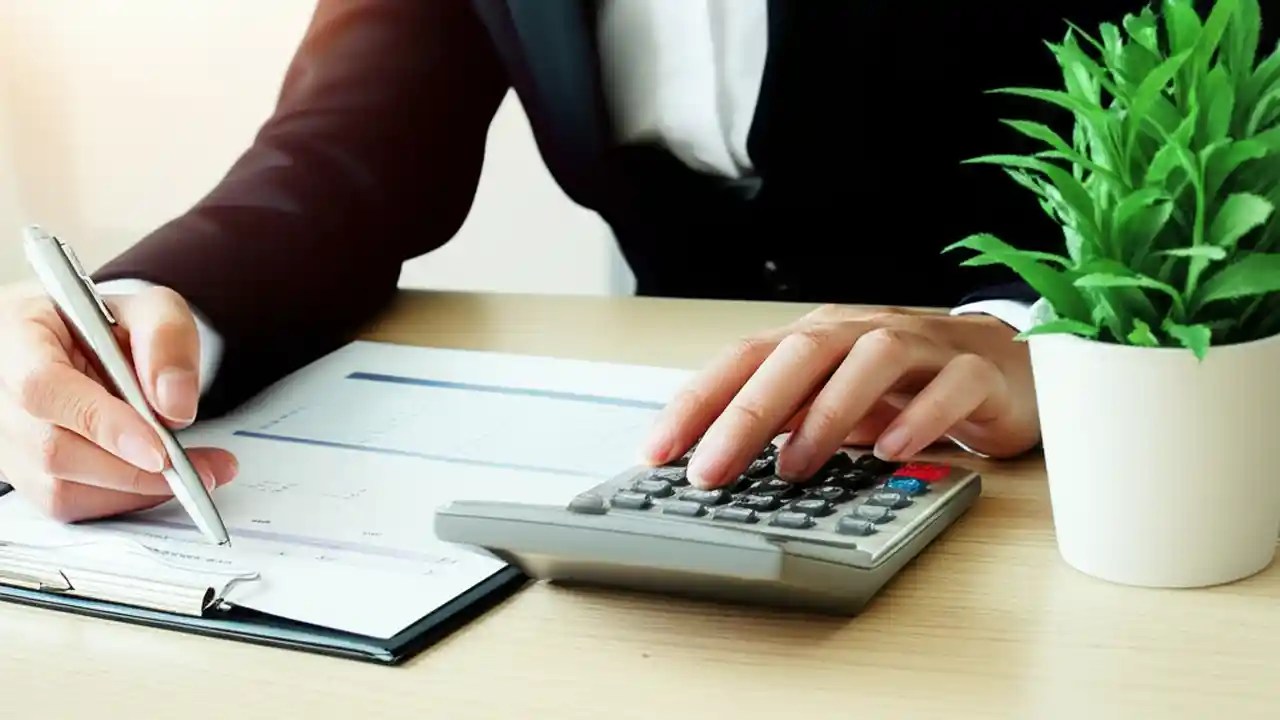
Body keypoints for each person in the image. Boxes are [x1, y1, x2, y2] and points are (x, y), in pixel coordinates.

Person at [0, 0, 1147, 522]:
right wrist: (138, 317)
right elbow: (340, 155)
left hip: (1070, 474)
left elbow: (1230, 135)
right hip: (684, 477)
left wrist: (1044, 339)